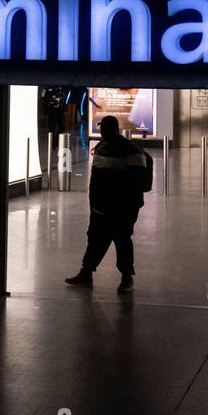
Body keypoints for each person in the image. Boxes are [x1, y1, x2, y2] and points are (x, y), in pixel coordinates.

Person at [65, 115, 148, 293]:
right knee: (95, 238)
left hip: (122, 207)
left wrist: (129, 206)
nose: (102, 131)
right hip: (100, 206)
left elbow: (136, 182)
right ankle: (86, 272)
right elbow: (95, 178)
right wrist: (93, 202)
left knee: (121, 239)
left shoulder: (130, 149)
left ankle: (127, 277)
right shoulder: (101, 147)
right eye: (102, 128)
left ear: (114, 129)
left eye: (105, 128)